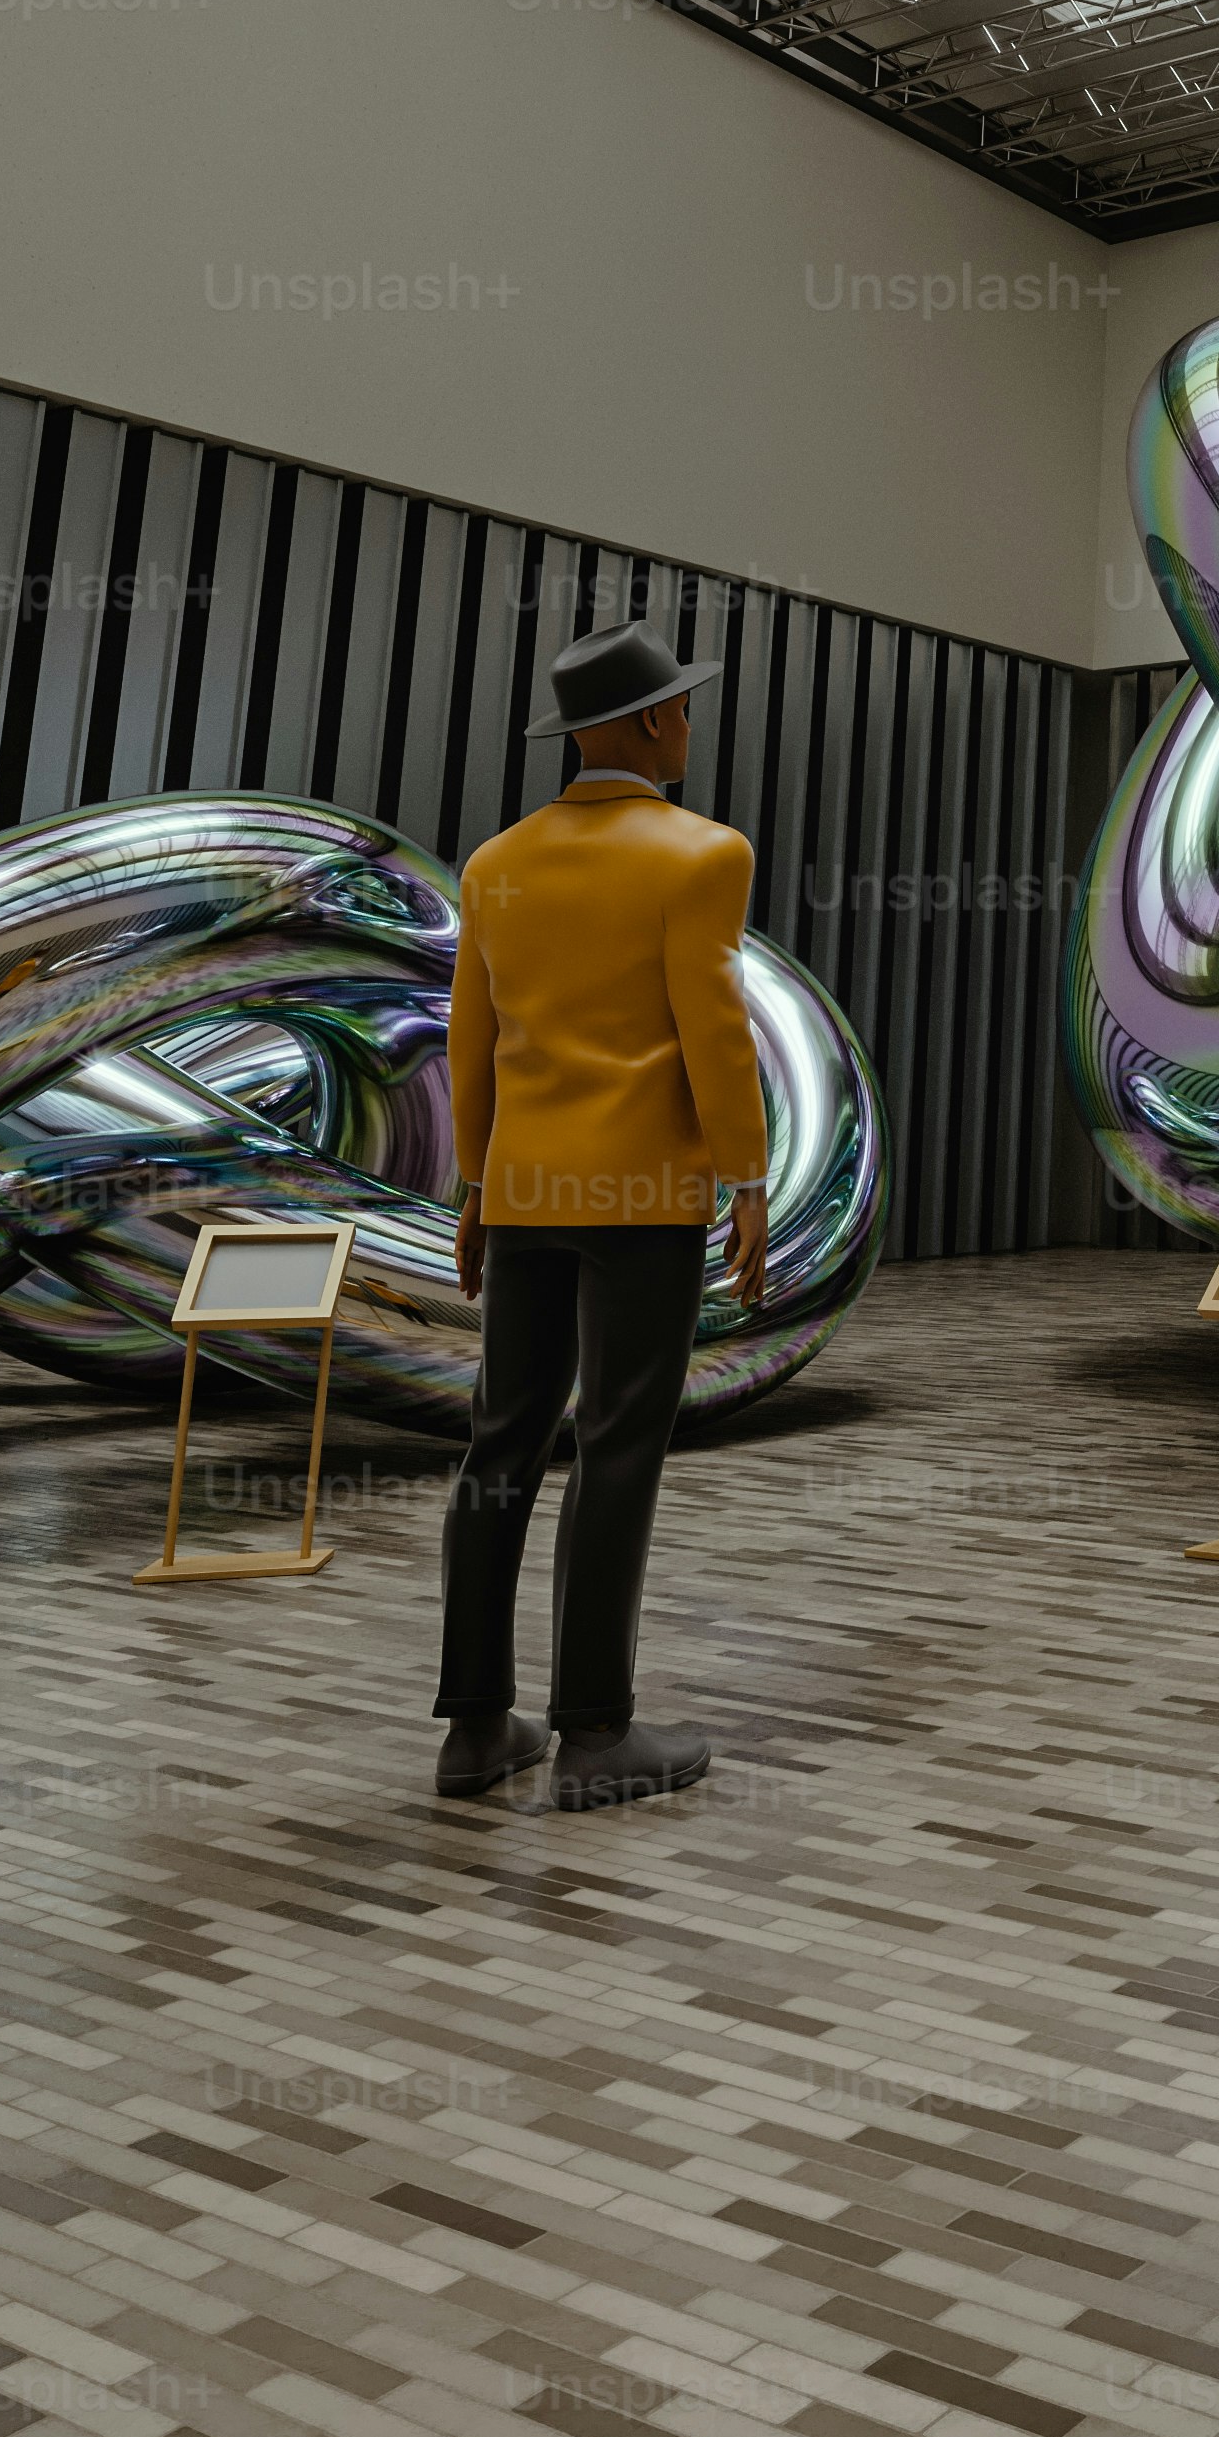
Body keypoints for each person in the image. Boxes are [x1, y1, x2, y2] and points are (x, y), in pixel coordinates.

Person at [431, 618, 772, 1809]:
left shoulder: (496, 864)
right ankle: (593, 1734)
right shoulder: (702, 853)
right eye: (680, 705)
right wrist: (747, 1179)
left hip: (526, 1188)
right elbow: (714, 1031)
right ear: (648, 720)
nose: (689, 723)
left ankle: (476, 1728)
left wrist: (476, 1188)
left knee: (501, 1443)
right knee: (618, 1445)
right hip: (643, 1194)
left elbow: (471, 1042)